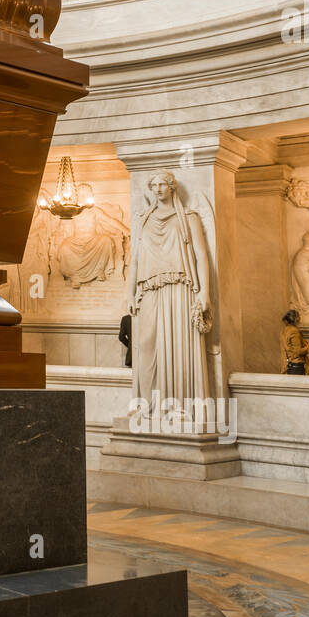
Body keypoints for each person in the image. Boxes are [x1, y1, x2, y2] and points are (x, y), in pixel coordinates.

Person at [127, 170, 212, 430]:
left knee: (178, 345)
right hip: (149, 287)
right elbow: (135, 259)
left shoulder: (188, 218)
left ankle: (180, 408)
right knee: (146, 344)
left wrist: (204, 291)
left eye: (163, 184)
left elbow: (200, 255)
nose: (158, 188)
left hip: (180, 286)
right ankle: (148, 406)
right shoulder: (143, 219)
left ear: (172, 187)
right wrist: (128, 293)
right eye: (154, 185)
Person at [281, 309, 309, 375]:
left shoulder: (284, 331)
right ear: (296, 319)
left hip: (288, 365)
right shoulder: (294, 331)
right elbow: (298, 351)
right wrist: (307, 347)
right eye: (299, 316)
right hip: (296, 366)